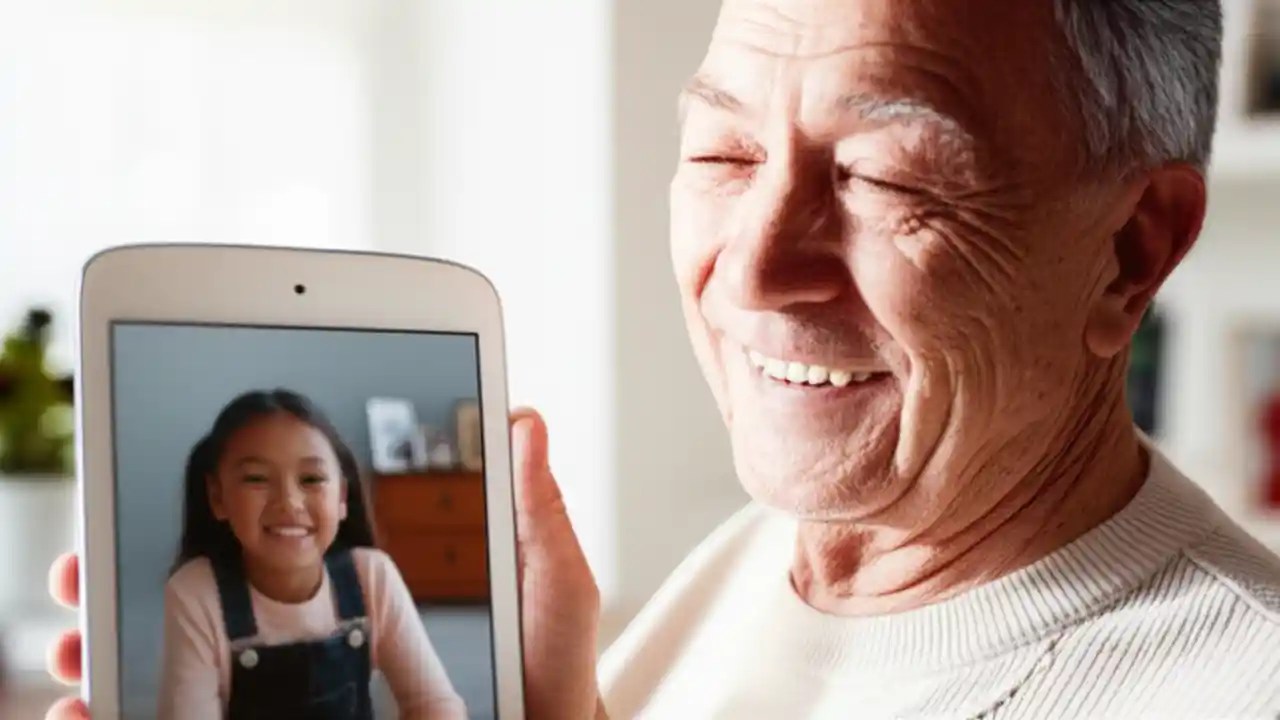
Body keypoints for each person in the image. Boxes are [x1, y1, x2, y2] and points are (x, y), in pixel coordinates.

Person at [42, 0, 1280, 717]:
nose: (747, 272)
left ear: (1131, 250)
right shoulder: (755, 562)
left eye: (883, 175)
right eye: (723, 156)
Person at [163, 389, 467, 719]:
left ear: (341, 497)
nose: (289, 502)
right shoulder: (196, 593)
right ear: (217, 497)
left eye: (311, 479)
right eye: (256, 479)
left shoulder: (372, 576)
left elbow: (434, 703)